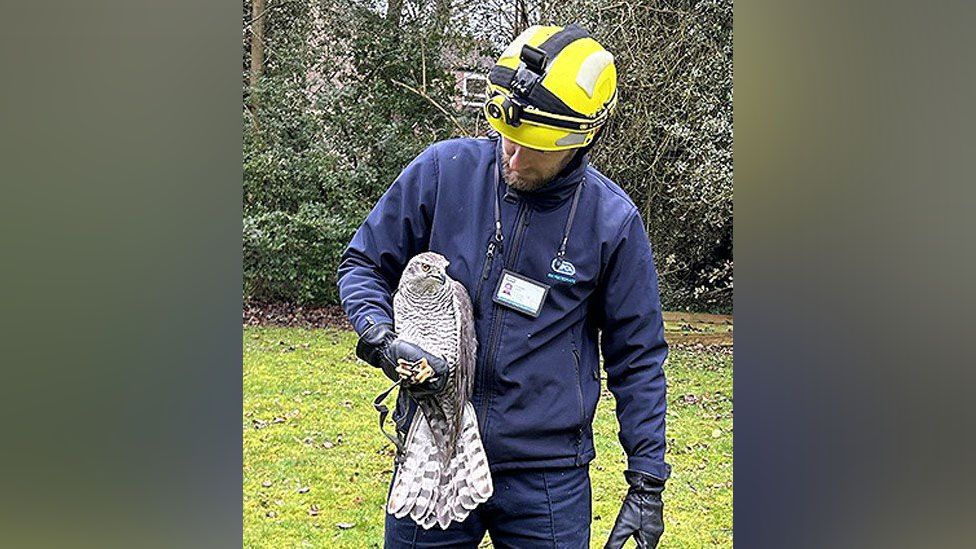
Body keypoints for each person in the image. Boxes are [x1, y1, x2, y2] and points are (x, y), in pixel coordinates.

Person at [338, 23, 670, 549]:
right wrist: (381, 338)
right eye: (507, 137)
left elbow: (639, 356)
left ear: (582, 139)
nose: (511, 156)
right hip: (434, 446)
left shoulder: (611, 221)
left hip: (547, 475)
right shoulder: (443, 171)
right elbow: (362, 264)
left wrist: (647, 480)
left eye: (532, 147)